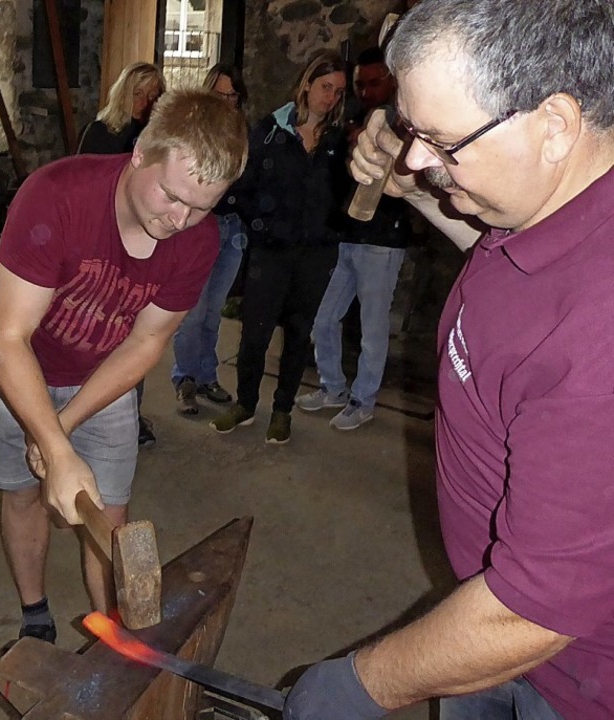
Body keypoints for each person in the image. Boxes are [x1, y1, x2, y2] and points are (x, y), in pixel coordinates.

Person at [283, 1, 614, 718]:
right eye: (410, 131)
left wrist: (361, 683)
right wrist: (414, 184)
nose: (414, 158)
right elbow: (503, 265)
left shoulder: (602, 337)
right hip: (487, 626)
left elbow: (529, 615)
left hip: (567, 676)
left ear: (554, 125)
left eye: (438, 140)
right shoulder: (554, 203)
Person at [0, 89, 247, 643]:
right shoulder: (57, 195)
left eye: (201, 205)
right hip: (19, 366)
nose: (180, 219)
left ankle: (115, 637)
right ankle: (35, 614)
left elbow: (146, 344)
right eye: (172, 196)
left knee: (110, 517)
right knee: (23, 493)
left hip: (102, 377)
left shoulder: (198, 238)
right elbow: (6, 339)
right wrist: (53, 449)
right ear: (139, 155)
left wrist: (66, 427)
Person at [210, 52, 350, 444]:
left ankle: (283, 409)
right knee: (254, 332)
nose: (330, 98)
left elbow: (345, 196)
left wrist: (332, 229)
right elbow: (242, 184)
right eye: (325, 87)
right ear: (306, 84)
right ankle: (245, 403)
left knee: (297, 332)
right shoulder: (270, 130)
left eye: (338, 92)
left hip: (316, 253)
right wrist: (261, 226)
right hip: (271, 251)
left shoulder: (338, 141)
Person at [296, 47, 410, 430]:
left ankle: (363, 399)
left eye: (374, 83)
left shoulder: (404, 119)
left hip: (382, 240)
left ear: (391, 80)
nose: (365, 91)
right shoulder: (354, 119)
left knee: (372, 327)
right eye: (359, 84)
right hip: (348, 235)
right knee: (324, 318)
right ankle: (333, 387)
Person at [78, 61, 167, 446]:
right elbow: (83, 191)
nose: (145, 103)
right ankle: (85, 411)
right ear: (123, 93)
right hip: (101, 246)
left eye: (153, 95)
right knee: (95, 332)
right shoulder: (100, 133)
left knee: (135, 334)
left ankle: (129, 416)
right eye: (139, 94)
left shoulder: (158, 141)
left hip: (141, 249)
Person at [172, 64, 250, 415]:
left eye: (232, 95)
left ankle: (206, 376)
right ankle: (184, 378)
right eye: (220, 95)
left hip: (233, 229)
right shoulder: (194, 132)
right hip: (201, 226)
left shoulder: (244, 131)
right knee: (191, 312)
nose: (227, 101)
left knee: (213, 313)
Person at [77, 62, 165, 155]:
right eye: (137, 94)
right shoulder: (98, 132)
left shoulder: (160, 137)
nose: (145, 103)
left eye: (152, 96)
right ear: (122, 96)